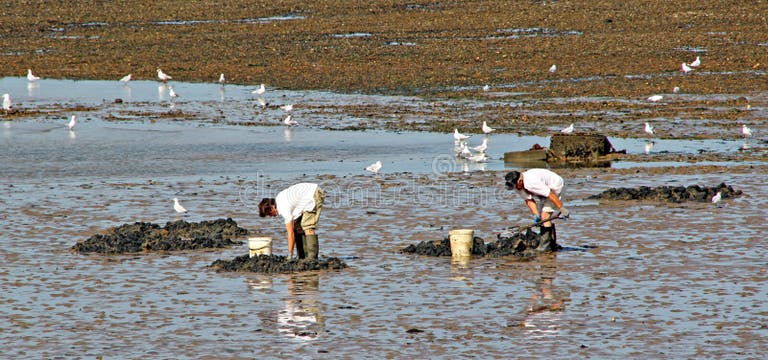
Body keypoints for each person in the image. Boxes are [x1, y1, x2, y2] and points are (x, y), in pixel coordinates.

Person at [504, 169, 569, 252]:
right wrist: (536, 214)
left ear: (520, 181)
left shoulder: (532, 183)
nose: (515, 188)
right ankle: (552, 244)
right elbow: (529, 200)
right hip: (544, 190)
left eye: (515, 186)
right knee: (542, 218)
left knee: (545, 216)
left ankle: (545, 246)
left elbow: (550, 194)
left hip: (556, 186)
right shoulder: (518, 186)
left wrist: (561, 208)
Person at [258, 183, 325, 259]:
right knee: (298, 227)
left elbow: (290, 234)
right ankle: (302, 256)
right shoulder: (279, 198)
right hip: (308, 195)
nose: (271, 216)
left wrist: (290, 255)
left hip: (313, 194)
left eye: (269, 214)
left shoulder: (283, 208)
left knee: (307, 226)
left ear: (272, 207)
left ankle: (312, 259)